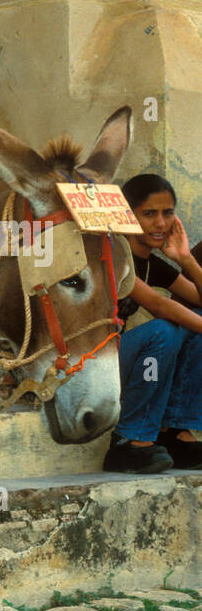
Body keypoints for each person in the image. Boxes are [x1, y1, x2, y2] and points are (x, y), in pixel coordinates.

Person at [102, 173, 202, 473]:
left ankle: (173, 431)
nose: (161, 224)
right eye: (149, 214)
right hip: (93, 361)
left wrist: (186, 259)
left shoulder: (154, 263)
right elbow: (160, 305)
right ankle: (128, 440)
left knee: (196, 326)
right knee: (164, 331)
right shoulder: (112, 256)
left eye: (167, 213)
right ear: (126, 216)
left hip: (124, 360)